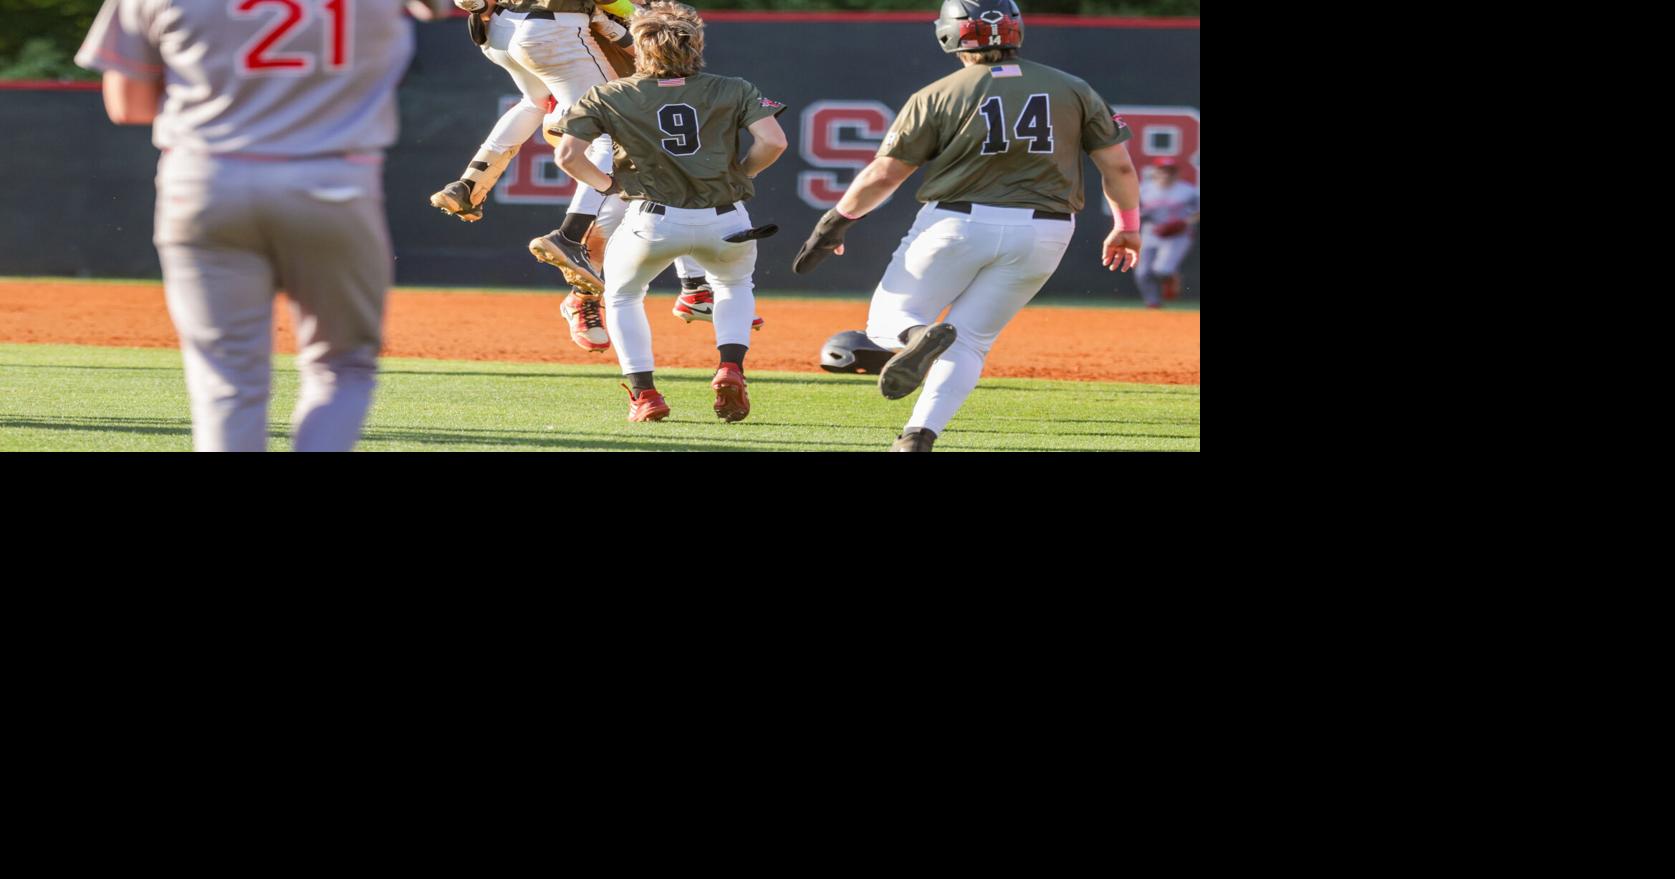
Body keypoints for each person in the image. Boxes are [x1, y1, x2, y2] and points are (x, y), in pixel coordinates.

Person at [76, 0, 455, 452]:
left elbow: (128, 105)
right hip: (332, 181)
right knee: (342, 365)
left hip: (205, 179)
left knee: (227, 379)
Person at [792, 0, 1141, 451]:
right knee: (971, 342)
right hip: (1046, 231)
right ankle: (918, 436)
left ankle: (917, 336)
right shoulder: (1074, 88)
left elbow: (885, 174)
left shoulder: (939, 93)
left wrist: (836, 221)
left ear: (949, 33)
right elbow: (1119, 167)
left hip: (957, 222)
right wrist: (1127, 225)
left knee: (886, 324)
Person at [549, 1, 787, 422]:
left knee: (623, 296)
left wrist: (609, 187)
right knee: (734, 285)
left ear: (639, 47)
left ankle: (645, 394)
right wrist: (743, 173)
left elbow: (568, 156)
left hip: (652, 219)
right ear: (695, 45)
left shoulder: (610, 93)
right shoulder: (734, 87)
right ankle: (730, 367)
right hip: (725, 216)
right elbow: (774, 142)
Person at [1135, 157, 1199, 307]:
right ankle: (1153, 304)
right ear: (1155, 172)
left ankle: (1171, 278)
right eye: (1162, 171)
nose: (1166, 174)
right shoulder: (1144, 190)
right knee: (1143, 272)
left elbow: (1198, 212)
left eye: (1170, 171)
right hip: (1151, 232)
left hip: (1177, 234)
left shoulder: (1187, 191)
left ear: (1176, 173)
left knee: (1162, 270)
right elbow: (1133, 210)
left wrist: (1184, 223)